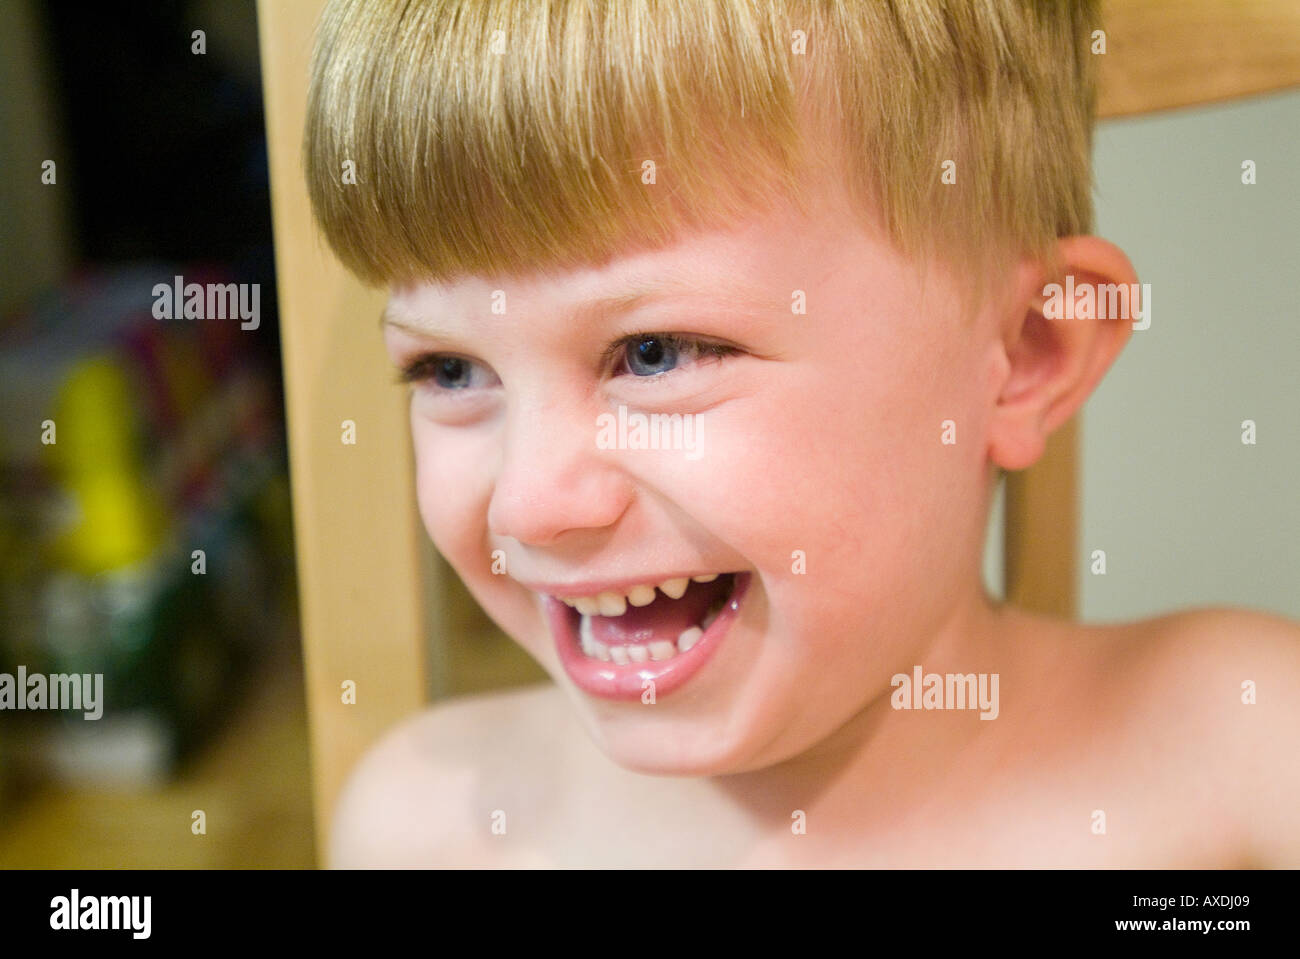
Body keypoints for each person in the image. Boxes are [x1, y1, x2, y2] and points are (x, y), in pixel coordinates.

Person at [302, 0, 1300, 866]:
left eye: (657, 352)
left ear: (1025, 353)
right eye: (448, 370)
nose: (530, 502)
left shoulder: (1243, 755)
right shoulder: (427, 828)